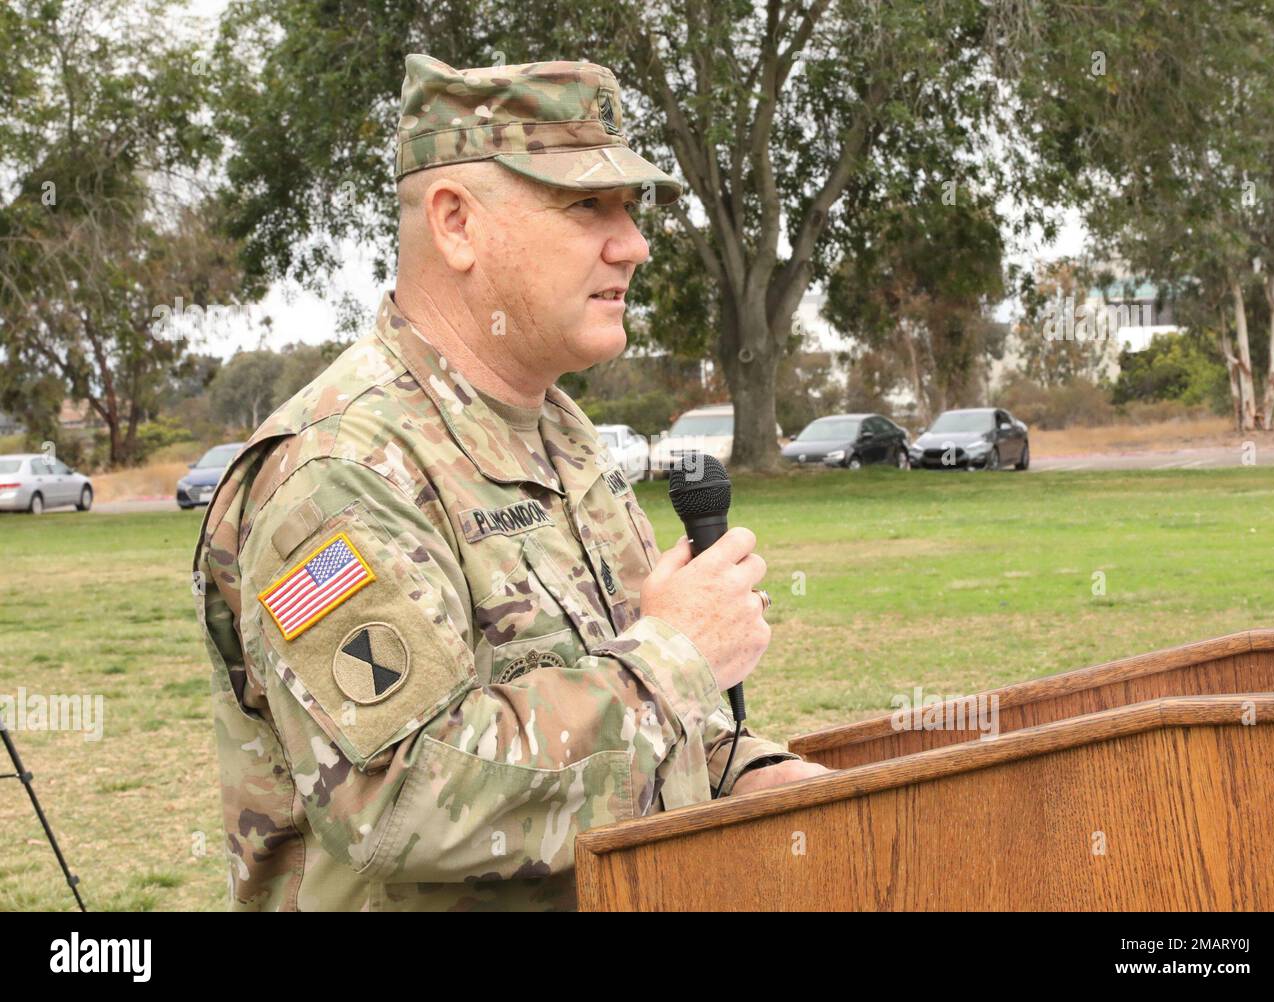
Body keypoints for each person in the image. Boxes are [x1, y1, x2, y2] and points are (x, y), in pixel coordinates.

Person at [192, 54, 830, 912]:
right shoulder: (339, 473)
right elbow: (396, 798)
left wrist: (794, 791)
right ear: (456, 223)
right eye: (586, 206)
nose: (633, 244)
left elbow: (663, 729)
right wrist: (678, 656)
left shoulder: (563, 436)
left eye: (631, 209)